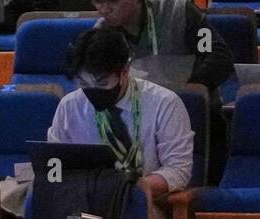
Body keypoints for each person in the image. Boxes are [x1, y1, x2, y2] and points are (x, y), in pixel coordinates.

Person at [48, 26, 195, 200]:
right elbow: (55, 161)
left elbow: (178, 170)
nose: (92, 91)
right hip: (83, 197)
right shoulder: (69, 105)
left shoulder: (164, 104)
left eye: (102, 84)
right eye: (83, 83)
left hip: (141, 198)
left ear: (124, 72)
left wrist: (137, 186)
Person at [92, 0, 234, 94]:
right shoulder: (101, 32)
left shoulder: (180, 12)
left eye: (113, 0)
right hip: (133, 113)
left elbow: (218, 56)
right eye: (97, 1)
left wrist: (192, 87)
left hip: (187, 107)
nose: (104, 9)